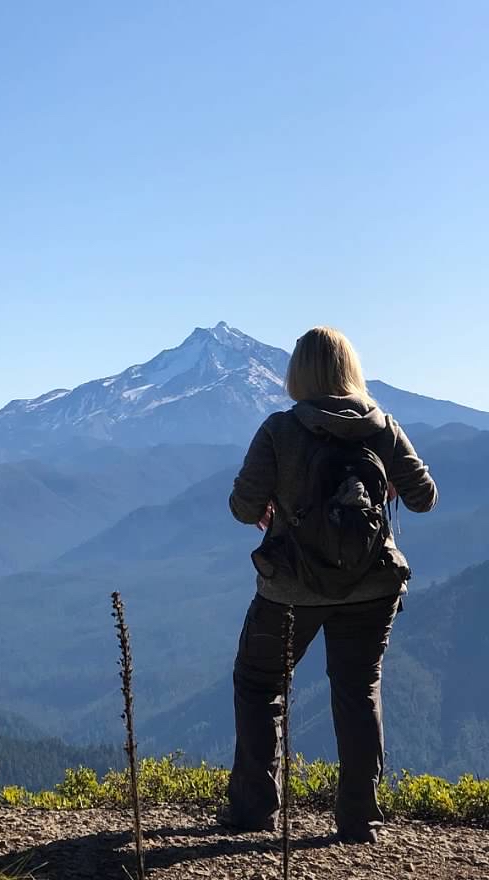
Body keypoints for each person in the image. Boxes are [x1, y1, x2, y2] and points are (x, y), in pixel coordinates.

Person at [221, 326, 438, 843]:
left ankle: (254, 809)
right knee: (358, 689)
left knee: (259, 684)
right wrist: (382, 484)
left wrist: (275, 496)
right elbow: (424, 496)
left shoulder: (278, 429)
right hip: (373, 585)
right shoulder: (382, 427)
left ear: (299, 373)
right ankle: (359, 818)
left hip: (290, 590)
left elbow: (242, 508)